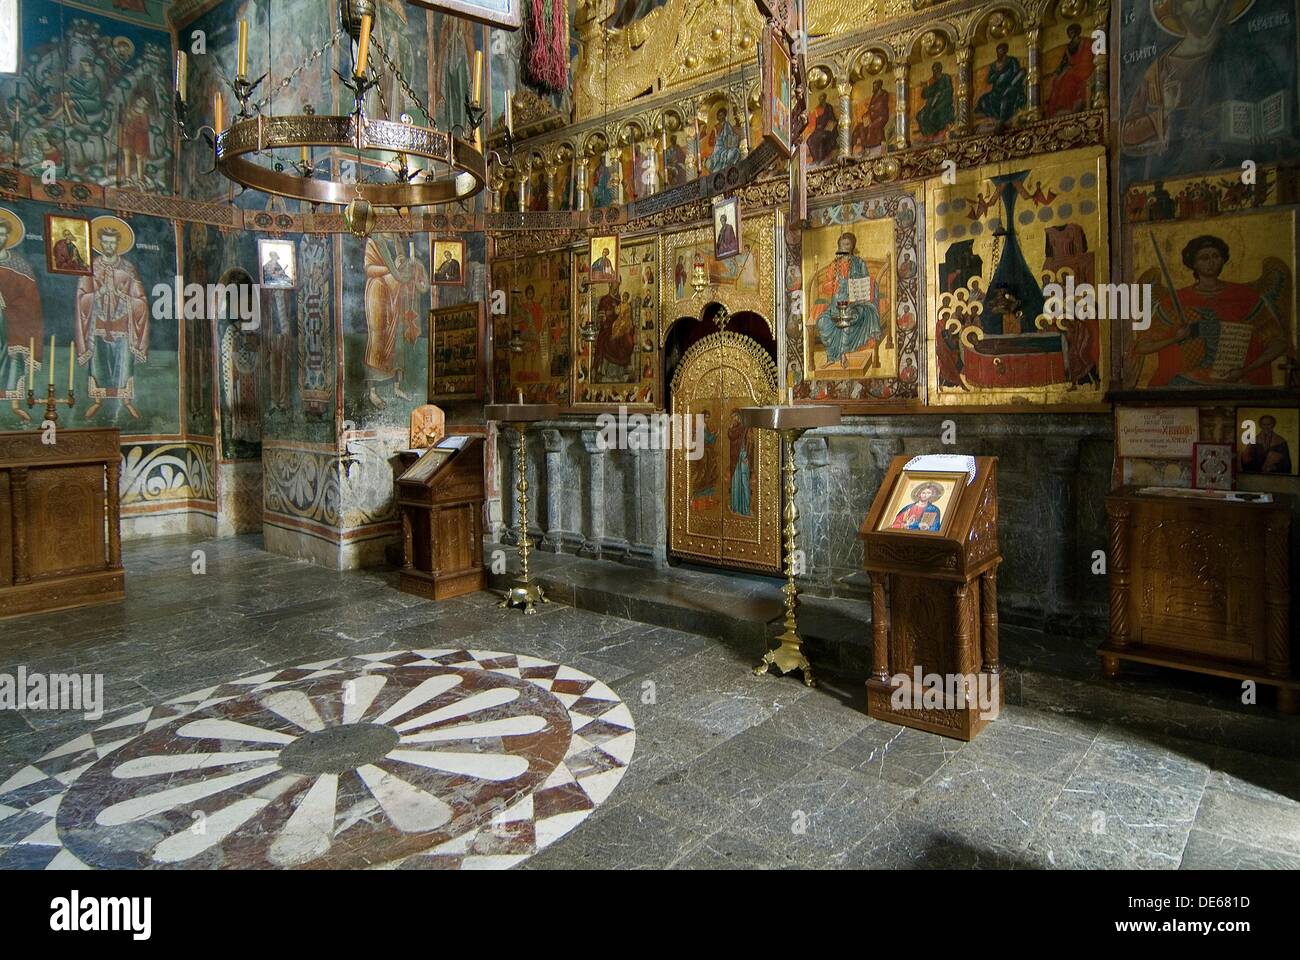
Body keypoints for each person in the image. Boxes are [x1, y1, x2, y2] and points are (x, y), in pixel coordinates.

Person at [1133, 235, 1286, 387]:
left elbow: (1278, 342)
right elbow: (1142, 346)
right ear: (1193, 263)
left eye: (1215, 256)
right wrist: (1175, 338)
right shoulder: (1176, 301)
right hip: (1193, 380)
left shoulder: (1245, 297)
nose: (1211, 262)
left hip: (1236, 380)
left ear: (1223, 259)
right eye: (1204, 258)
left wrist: (1245, 370)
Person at [75, 222, 148, 419]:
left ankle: (126, 401)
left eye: (112, 242)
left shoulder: (128, 269)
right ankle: (97, 401)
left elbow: (141, 301)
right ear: (100, 243)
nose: (109, 246)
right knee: (99, 364)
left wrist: (123, 296)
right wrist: (99, 293)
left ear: (118, 244)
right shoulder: (91, 268)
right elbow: (82, 298)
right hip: (98, 323)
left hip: (122, 324)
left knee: (124, 365)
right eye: (105, 242)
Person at [363, 237, 429, 406]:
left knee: (397, 342)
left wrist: (406, 266)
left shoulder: (397, 239)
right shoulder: (374, 241)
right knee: (377, 340)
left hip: (396, 292)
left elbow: (403, 266)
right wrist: (392, 268)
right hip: (378, 290)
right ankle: (372, 391)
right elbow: (369, 268)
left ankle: (397, 387)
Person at [813, 232, 882, 367]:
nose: (845, 247)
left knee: (848, 317)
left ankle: (844, 355)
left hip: (856, 303)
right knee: (822, 322)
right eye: (842, 244)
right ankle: (831, 356)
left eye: (848, 244)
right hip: (835, 305)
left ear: (852, 246)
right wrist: (833, 284)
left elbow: (866, 282)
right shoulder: (834, 265)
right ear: (839, 245)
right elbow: (825, 286)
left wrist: (856, 287)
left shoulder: (859, 263)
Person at [0, 211, 42, 423]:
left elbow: (30, 301)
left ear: (8, 237)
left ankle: (14, 404)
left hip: (10, 324)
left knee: (13, 358)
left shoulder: (20, 265)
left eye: (1, 234)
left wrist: (7, 305)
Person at [1045, 23, 1094, 118]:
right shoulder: (1069, 46)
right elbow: (1064, 62)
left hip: (1085, 67)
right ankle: (1060, 106)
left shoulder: (1086, 42)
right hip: (1073, 69)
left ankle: (1069, 106)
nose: (1072, 34)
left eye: (1073, 32)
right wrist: (1057, 72)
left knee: (1069, 78)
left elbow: (1091, 56)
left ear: (1078, 31)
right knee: (1057, 81)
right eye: (1070, 33)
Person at [975, 43, 1027, 128]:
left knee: (1005, 100)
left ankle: (1002, 120)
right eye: (998, 52)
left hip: (1010, 88)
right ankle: (995, 118)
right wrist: (998, 72)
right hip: (996, 91)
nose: (1000, 54)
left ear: (1005, 51)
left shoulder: (1011, 61)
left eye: (1002, 51)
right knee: (983, 100)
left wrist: (1010, 85)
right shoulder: (994, 65)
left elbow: (1017, 74)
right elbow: (989, 80)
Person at [916, 62, 954, 140]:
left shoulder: (946, 78)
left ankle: (937, 133)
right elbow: (925, 94)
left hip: (944, 102)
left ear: (940, 69)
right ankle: (928, 135)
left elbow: (949, 90)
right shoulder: (935, 83)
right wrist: (925, 87)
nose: (934, 72)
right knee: (920, 115)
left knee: (933, 115)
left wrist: (940, 95)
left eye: (936, 70)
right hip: (933, 104)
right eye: (933, 70)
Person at [705, 106, 741, 174]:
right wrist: (715, 138)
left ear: (725, 116)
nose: (720, 116)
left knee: (734, 152)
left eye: (722, 115)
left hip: (727, 146)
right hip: (718, 147)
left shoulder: (728, 125)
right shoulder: (715, 127)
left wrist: (732, 141)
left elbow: (732, 135)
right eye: (719, 115)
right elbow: (711, 141)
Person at [805, 94, 838, 162]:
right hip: (819, 131)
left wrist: (827, 129)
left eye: (822, 99)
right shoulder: (817, 109)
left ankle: (820, 159)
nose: (821, 101)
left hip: (829, 131)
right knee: (809, 140)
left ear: (824, 99)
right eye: (820, 99)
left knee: (821, 139)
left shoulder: (828, 107)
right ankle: (815, 158)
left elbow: (832, 120)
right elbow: (817, 123)